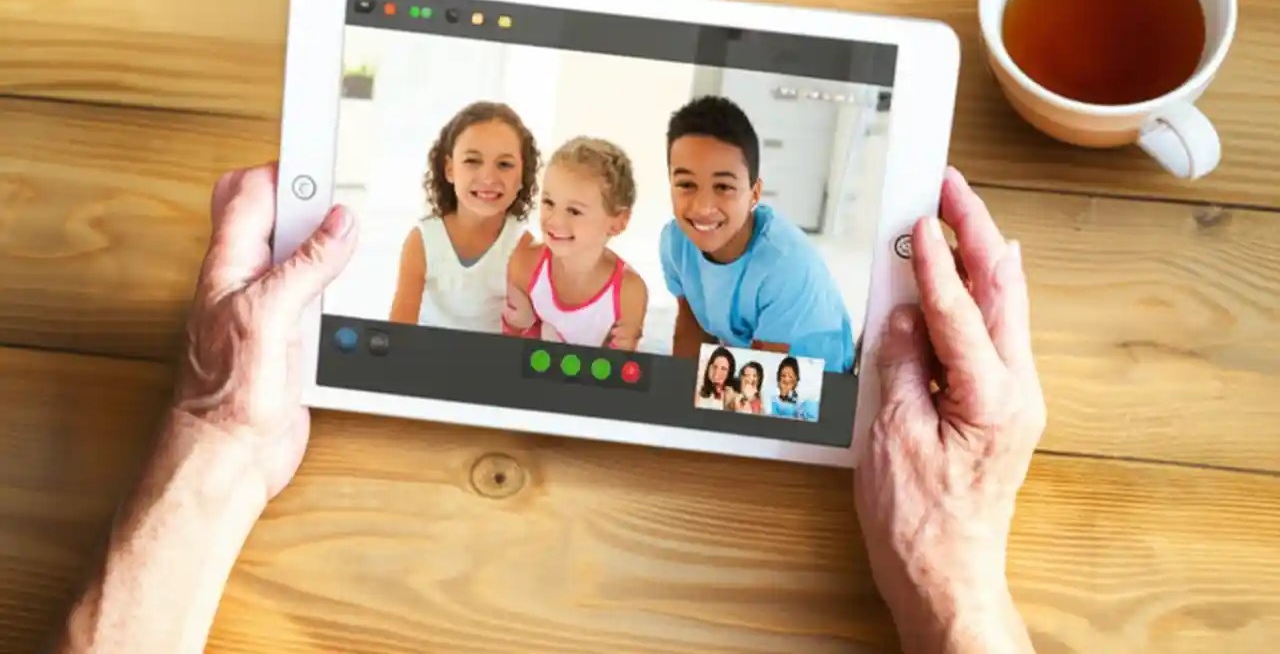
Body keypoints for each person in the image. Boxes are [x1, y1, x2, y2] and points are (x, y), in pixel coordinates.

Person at [48, 163, 1044, 654]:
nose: (554, 223)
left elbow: (649, 342)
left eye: (579, 209)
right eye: (550, 208)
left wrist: (219, 438)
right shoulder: (542, 260)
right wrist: (948, 570)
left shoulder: (642, 282)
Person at [660, 95, 855, 374]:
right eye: (686, 184)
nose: (702, 207)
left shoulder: (785, 265)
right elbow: (691, 326)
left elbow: (760, 385)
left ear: (754, 194)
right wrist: (677, 387)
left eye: (724, 187)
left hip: (810, 378)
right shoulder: (674, 241)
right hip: (749, 353)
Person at [388, 101, 539, 333]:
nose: (488, 177)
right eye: (472, 161)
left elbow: (524, 336)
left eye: (505, 164)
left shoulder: (523, 247)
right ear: (449, 169)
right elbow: (398, 330)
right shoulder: (423, 240)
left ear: (522, 175)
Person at [502, 136, 648, 350]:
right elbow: (510, 347)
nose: (555, 220)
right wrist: (523, 325)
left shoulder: (628, 292)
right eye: (549, 203)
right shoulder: (525, 264)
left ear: (617, 222)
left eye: (574, 211)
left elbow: (620, 367)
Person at [768, 356, 817, 422]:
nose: (786, 380)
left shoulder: (802, 404)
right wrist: (783, 396)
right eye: (783, 376)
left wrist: (789, 396)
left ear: (796, 380)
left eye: (790, 376)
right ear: (779, 378)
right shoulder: (772, 401)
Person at [694, 346, 739, 410]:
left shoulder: (733, 396)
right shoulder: (697, 392)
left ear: (729, 373)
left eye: (723, 369)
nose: (716, 374)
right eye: (714, 367)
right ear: (709, 367)